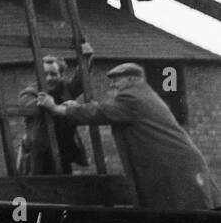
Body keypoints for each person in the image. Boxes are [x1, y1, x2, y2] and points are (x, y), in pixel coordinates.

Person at [38, 63, 221, 211]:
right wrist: (75, 106)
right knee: (187, 211)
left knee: (189, 216)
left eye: (117, 80)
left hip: (173, 166)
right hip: (176, 163)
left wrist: (56, 108)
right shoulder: (141, 94)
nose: (112, 85)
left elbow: (99, 112)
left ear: (132, 79)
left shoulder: (132, 98)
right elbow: (108, 109)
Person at [17, 49, 90, 175]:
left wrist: (86, 58)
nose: (49, 78)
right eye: (45, 74)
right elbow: (34, 105)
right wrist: (63, 107)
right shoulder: (29, 93)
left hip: (62, 153)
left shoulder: (65, 88)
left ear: (61, 75)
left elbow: (80, 80)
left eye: (53, 74)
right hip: (37, 155)